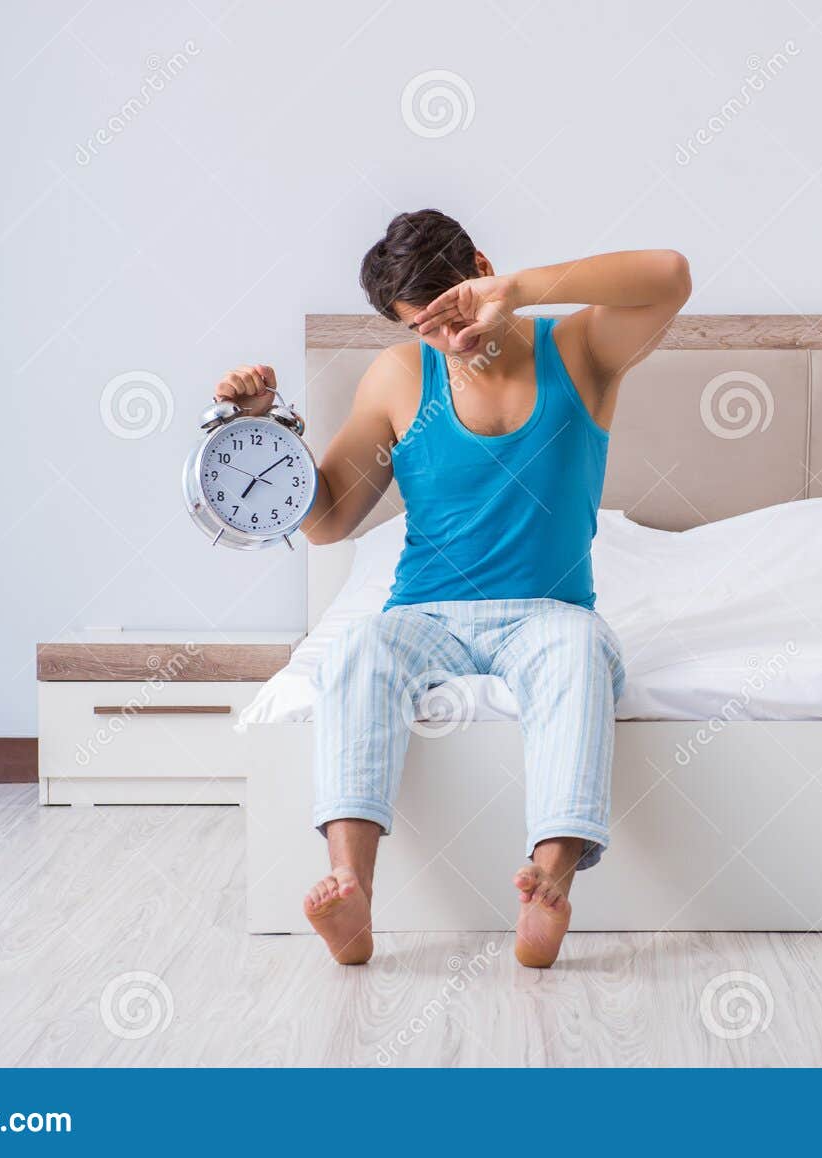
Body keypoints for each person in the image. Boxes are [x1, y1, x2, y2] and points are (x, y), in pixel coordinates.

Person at [214, 209, 690, 967]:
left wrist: (517, 292)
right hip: (425, 612)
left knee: (580, 652)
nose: (452, 339)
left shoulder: (580, 351)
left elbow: (670, 273)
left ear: (479, 264)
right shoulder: (401, 378)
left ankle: (549, 885)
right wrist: (266, 430)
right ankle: (351, 889)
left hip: (549, 612)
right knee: (357, 649)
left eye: (456, 309)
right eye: (425, 327)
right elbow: (330, 518)